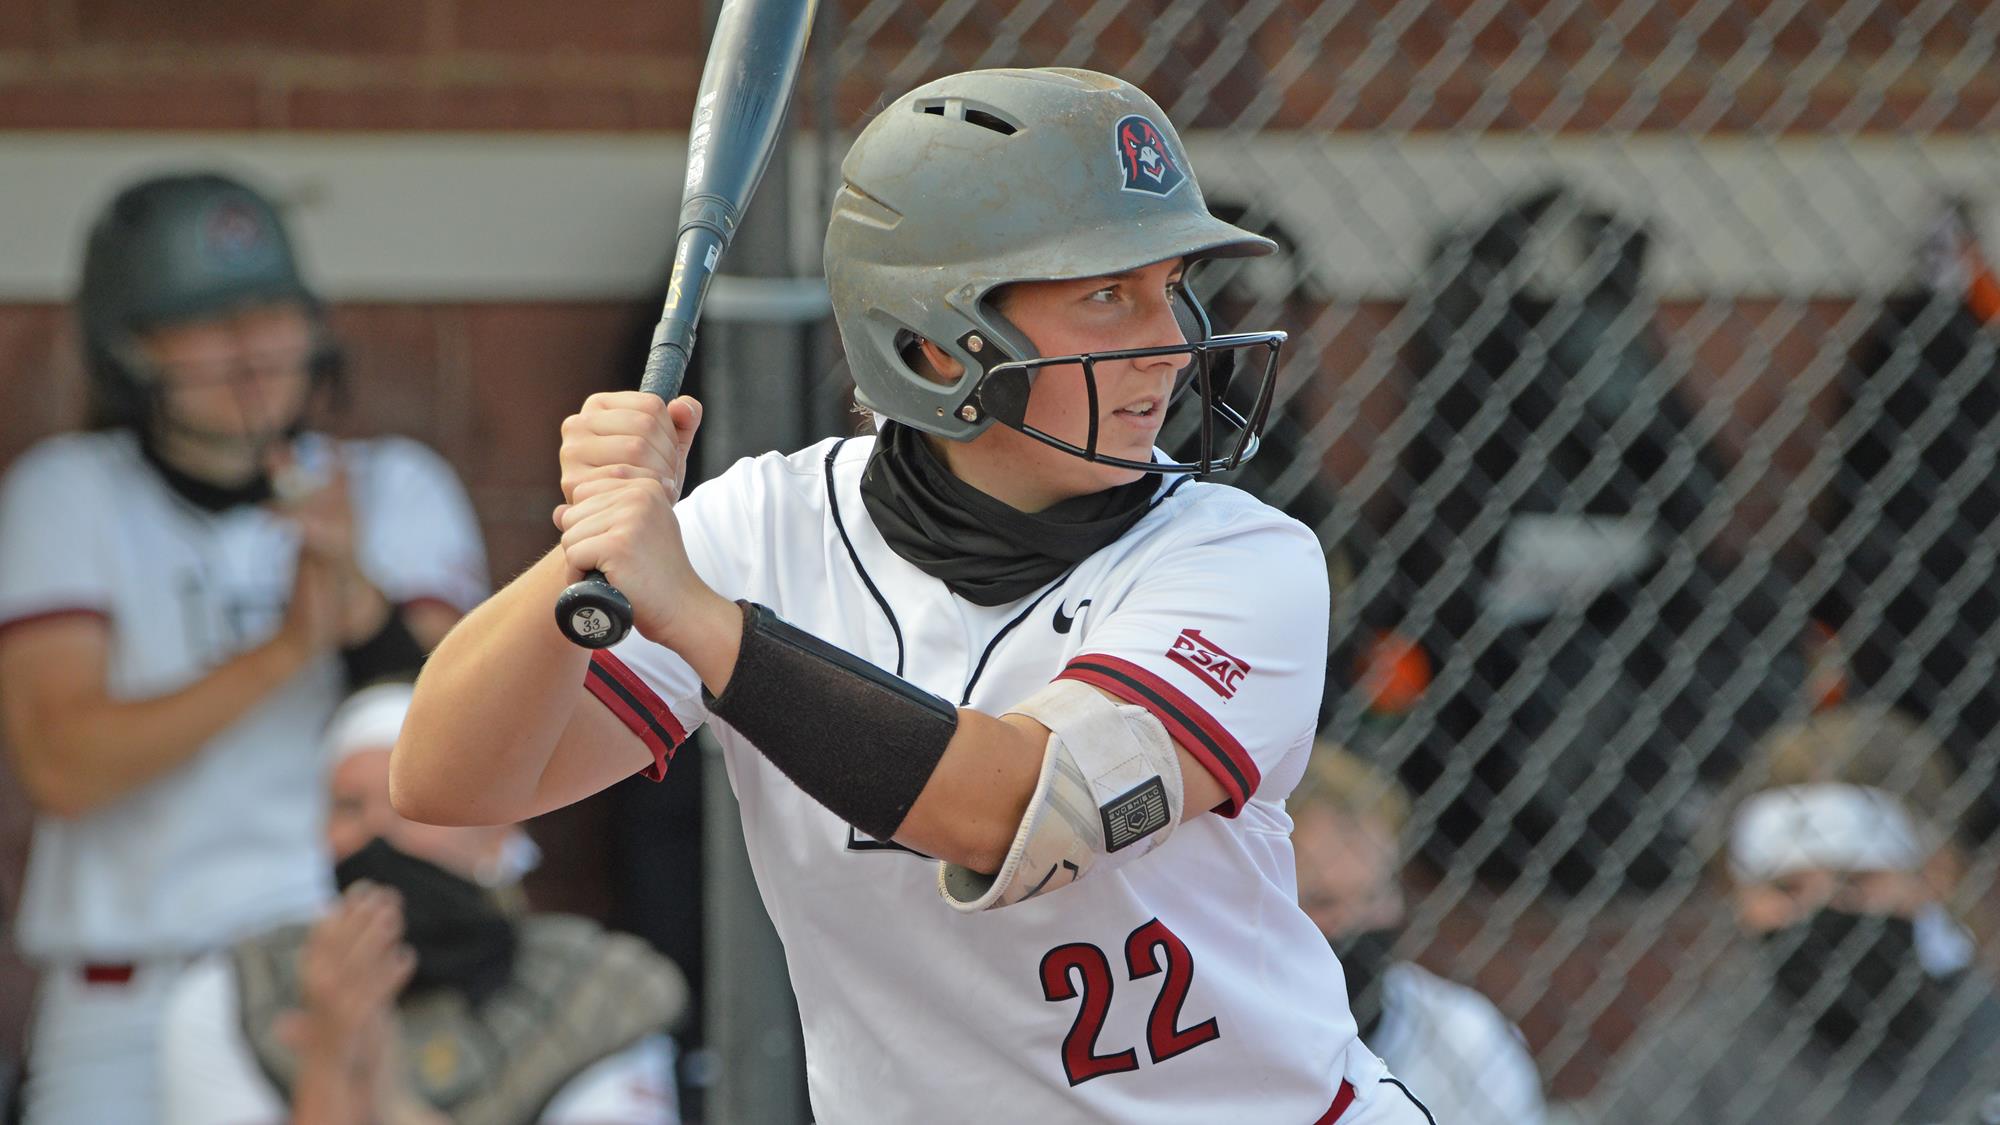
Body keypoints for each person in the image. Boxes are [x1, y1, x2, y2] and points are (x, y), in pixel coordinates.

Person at [394, 68, 1430, 1123]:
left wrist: (707, 625)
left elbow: (1021, 813)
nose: (1164, 342)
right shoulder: (765, 526)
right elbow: (448, 782)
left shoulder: (1238, 560)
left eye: (1170, 286)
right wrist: (590, 545)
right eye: (1106, 294)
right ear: (937, 343)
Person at [0, 171, 488, 1121]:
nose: (252, 352)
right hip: (128, 995)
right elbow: (62, 765)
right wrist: (283, 646)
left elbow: (471, 746)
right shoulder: (70, 491)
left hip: (337, 977)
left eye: (271, 314)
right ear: (132, 345)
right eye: (208, 323)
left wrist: (358, 603)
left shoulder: (395, 487)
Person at [158, 681, 686, 1125]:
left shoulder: (598, 988)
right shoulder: (234, 993)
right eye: (349, 806)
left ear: (498, 828)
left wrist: (389, 1101)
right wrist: (330, 1059)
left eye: (410, 801)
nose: (378, 833)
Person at [1592, 707, 2000, 1124]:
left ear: (1934, 875)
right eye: (1786, 888)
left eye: (1855, 879)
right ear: (1740, 897)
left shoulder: (1985, 1034)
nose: (1822, 909)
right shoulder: (1689, 1067)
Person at [1291, 746, 1550, 1125]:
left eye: (1373, 896)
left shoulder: (1460, 1037)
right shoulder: (1221, 1033)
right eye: (1322, 901)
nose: (1354, 922)